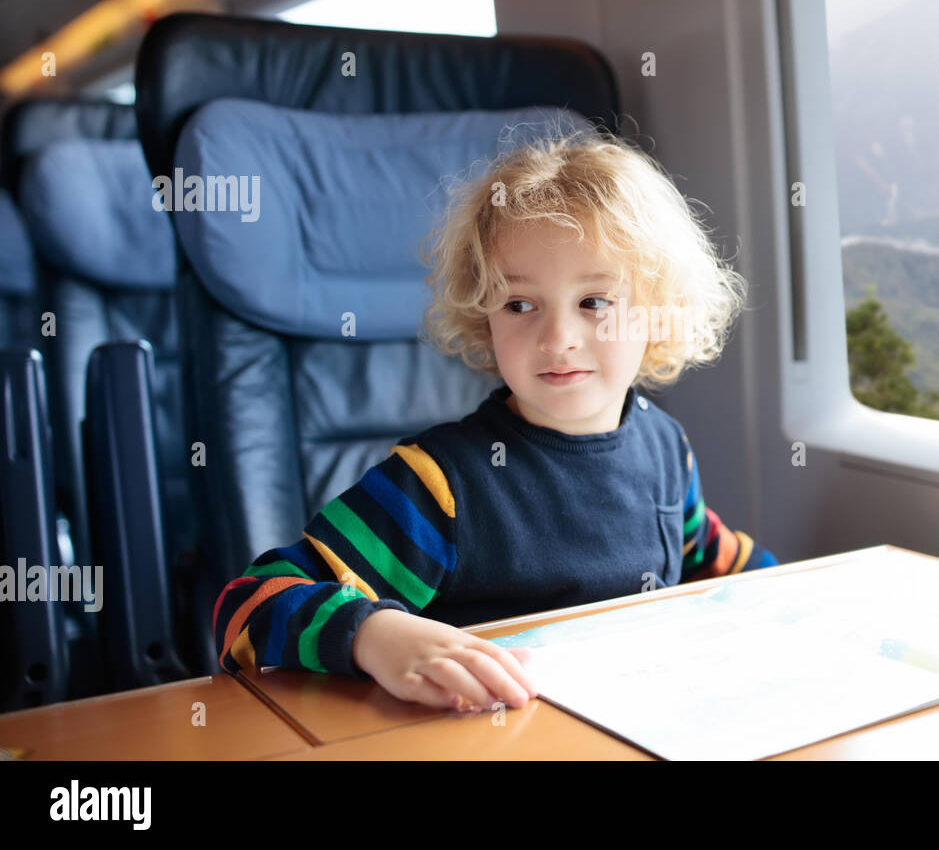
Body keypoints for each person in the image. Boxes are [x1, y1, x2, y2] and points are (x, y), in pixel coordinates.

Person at [211, 126, 777, 713]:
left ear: (658, 313)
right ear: (486, 320)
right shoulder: (440, 486)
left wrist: (792, 600)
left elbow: (716, 557)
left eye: (594, 302)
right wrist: (372, 635)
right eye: (519, 305)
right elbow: (247, 604)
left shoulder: (665, 448)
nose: (558, 338)